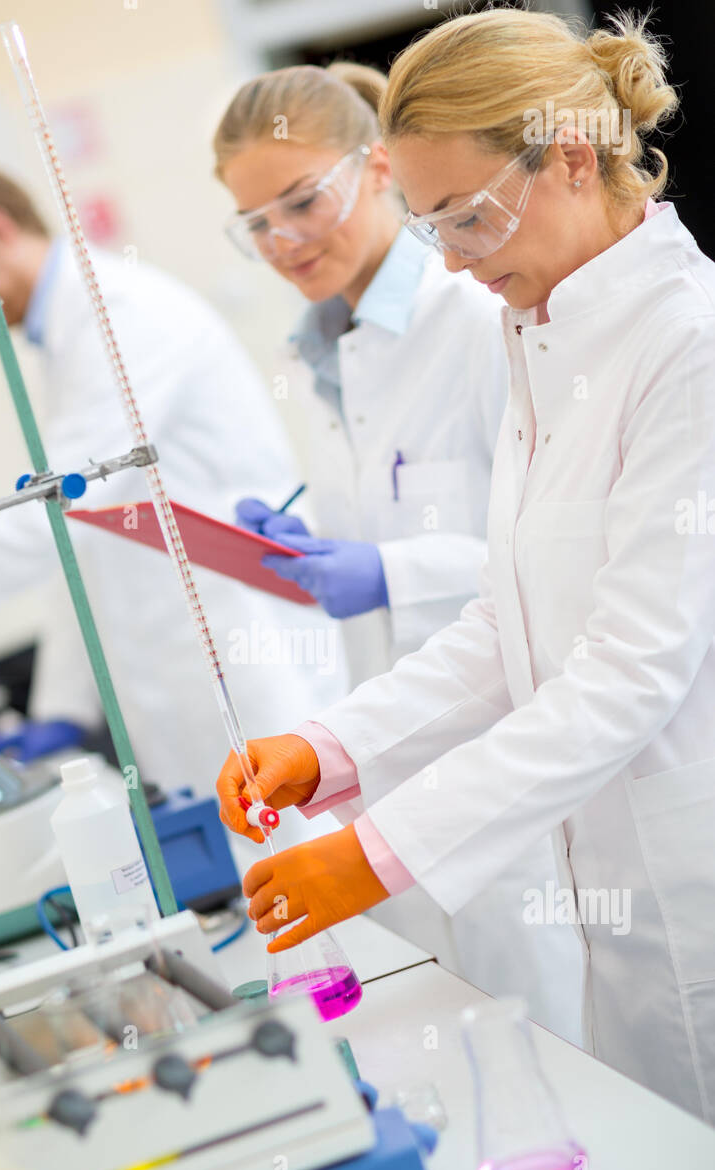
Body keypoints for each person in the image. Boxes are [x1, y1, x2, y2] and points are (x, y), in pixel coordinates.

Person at [217, 9, 715, 1123]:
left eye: (471, 216)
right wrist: (331, 746)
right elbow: (510, 620)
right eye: (432, 226)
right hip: (613, 889)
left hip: (690, 877)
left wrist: (378, 853)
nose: (457, 257)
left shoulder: (683, 340)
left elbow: (628, 670)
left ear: (573, 158)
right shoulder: (538, 323)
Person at [212, 63, 583, 1040]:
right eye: (254, 222)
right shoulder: (321, 345)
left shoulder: (476, 316)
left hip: (509, 756)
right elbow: (401, 526)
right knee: (454, 1026)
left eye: (302, 201)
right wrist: (320, 552)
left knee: (545, 1030)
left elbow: (554, 557)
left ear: (375, 166)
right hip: (396, 745)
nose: (282, 239)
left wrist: (384, 574)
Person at [0, 156, 345, 817]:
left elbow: (61, 509)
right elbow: (90, 533)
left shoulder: (119, 314)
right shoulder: (69, 334)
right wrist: (63, 704)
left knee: (300, 858)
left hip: (240, 647)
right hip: (181, 659)